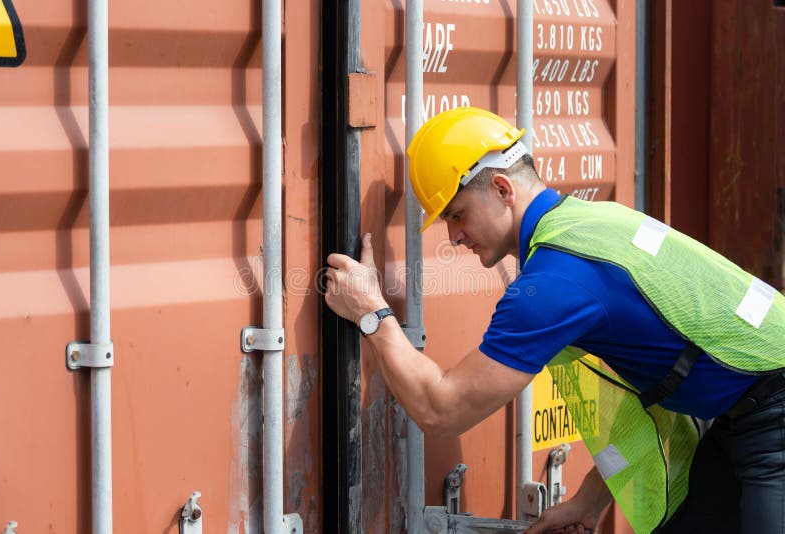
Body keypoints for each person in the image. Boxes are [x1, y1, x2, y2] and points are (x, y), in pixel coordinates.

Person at [324, 106, 785, 533]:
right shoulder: (593, 221)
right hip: (745, 415)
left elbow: (441, 410)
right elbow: (652, 381)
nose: (454, 234)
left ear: (503, 189)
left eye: (458, 213)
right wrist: (588, 501)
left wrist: (371, 313)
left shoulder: (555, 281)